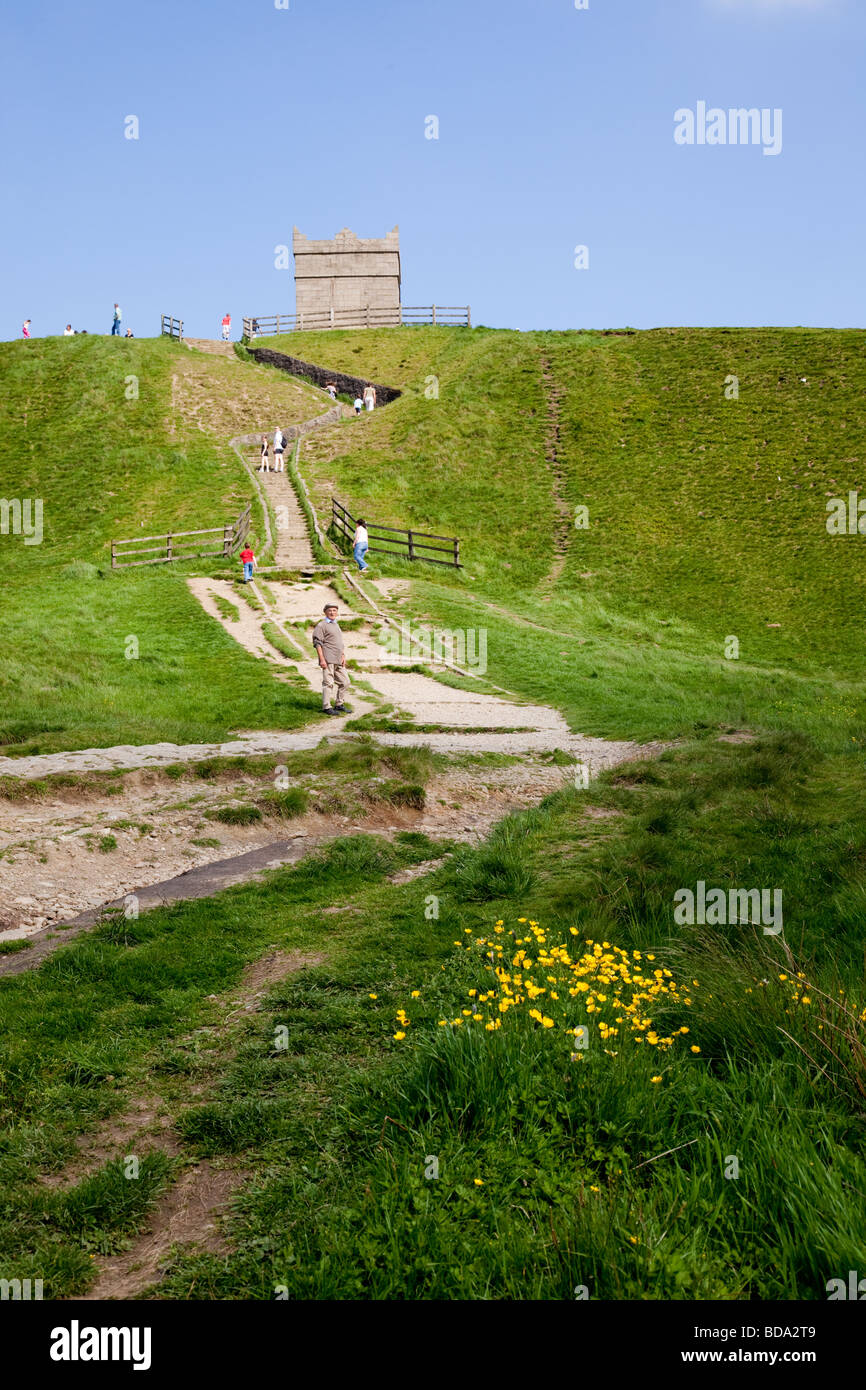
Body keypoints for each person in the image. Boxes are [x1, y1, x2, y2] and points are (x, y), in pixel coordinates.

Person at [311, 603, 350, 716]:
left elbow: (339, 643)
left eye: (334, 610)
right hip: (328, 659)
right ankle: (326, 707)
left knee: (345, 682)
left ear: (337, 612)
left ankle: (339, 704)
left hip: (338, 659)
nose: (332, 612)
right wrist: (322, 659)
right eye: (330, 610)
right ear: (325, 612)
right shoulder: (321, 625)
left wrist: (343, 655)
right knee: (328, 683)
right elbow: (317, 643)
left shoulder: (336, 624)